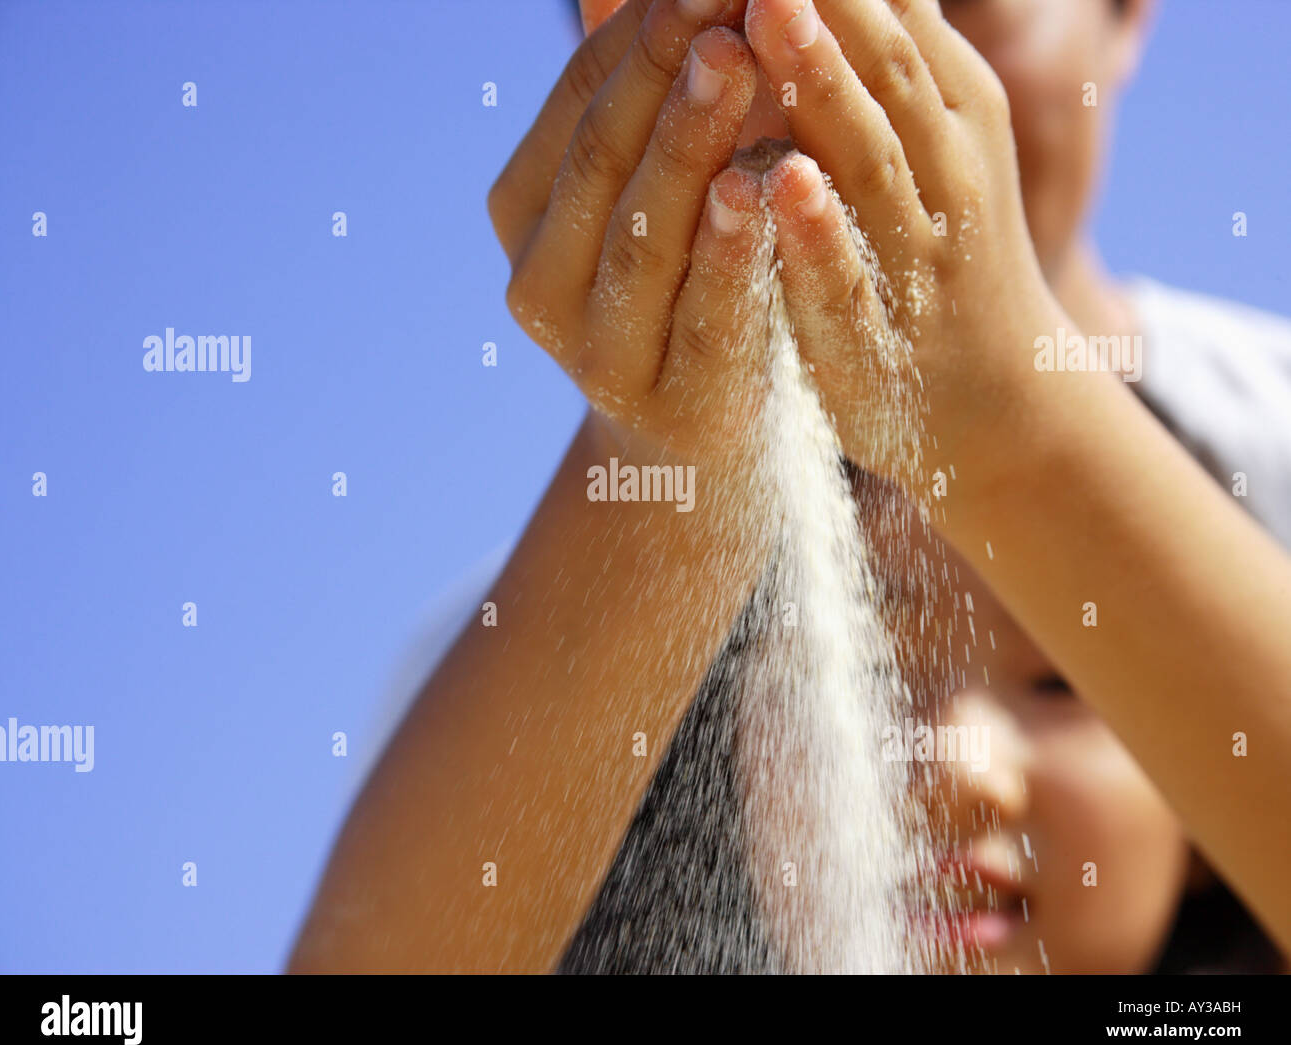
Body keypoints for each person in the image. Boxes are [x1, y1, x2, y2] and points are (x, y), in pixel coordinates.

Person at [288, 0, 1291, 974]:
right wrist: (655, 477)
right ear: (617, 38)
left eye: (947, 5)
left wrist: (1013, 421)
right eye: (740, 20)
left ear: (1126, 16)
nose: (833, 73)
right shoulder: (508, 663)